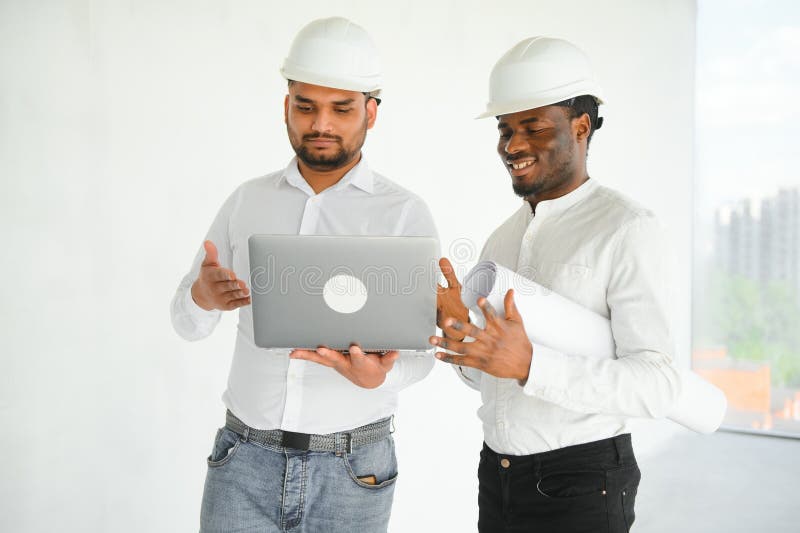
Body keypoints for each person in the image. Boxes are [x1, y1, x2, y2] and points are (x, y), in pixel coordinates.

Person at [171, 17, 437, 533]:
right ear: (286, 106)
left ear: (371, 113)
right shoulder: (247, 200)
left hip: (354, 471)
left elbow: (424, 353)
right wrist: (202, 297)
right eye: (306, 106)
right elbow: (187, 323)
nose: (322, 124)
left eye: (342, 109)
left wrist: (381, 374)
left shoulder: (404, 215)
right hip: (242, 463)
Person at [431, 37, 680, 533]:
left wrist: (530, 363)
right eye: (504, 130)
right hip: (498, 476)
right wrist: (465, 343)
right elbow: (492, 379)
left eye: (533, 128)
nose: (512, 145)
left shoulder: (626, 228)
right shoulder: (502, 238)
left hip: (582, 480)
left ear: (581, 126)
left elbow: (660, 385)